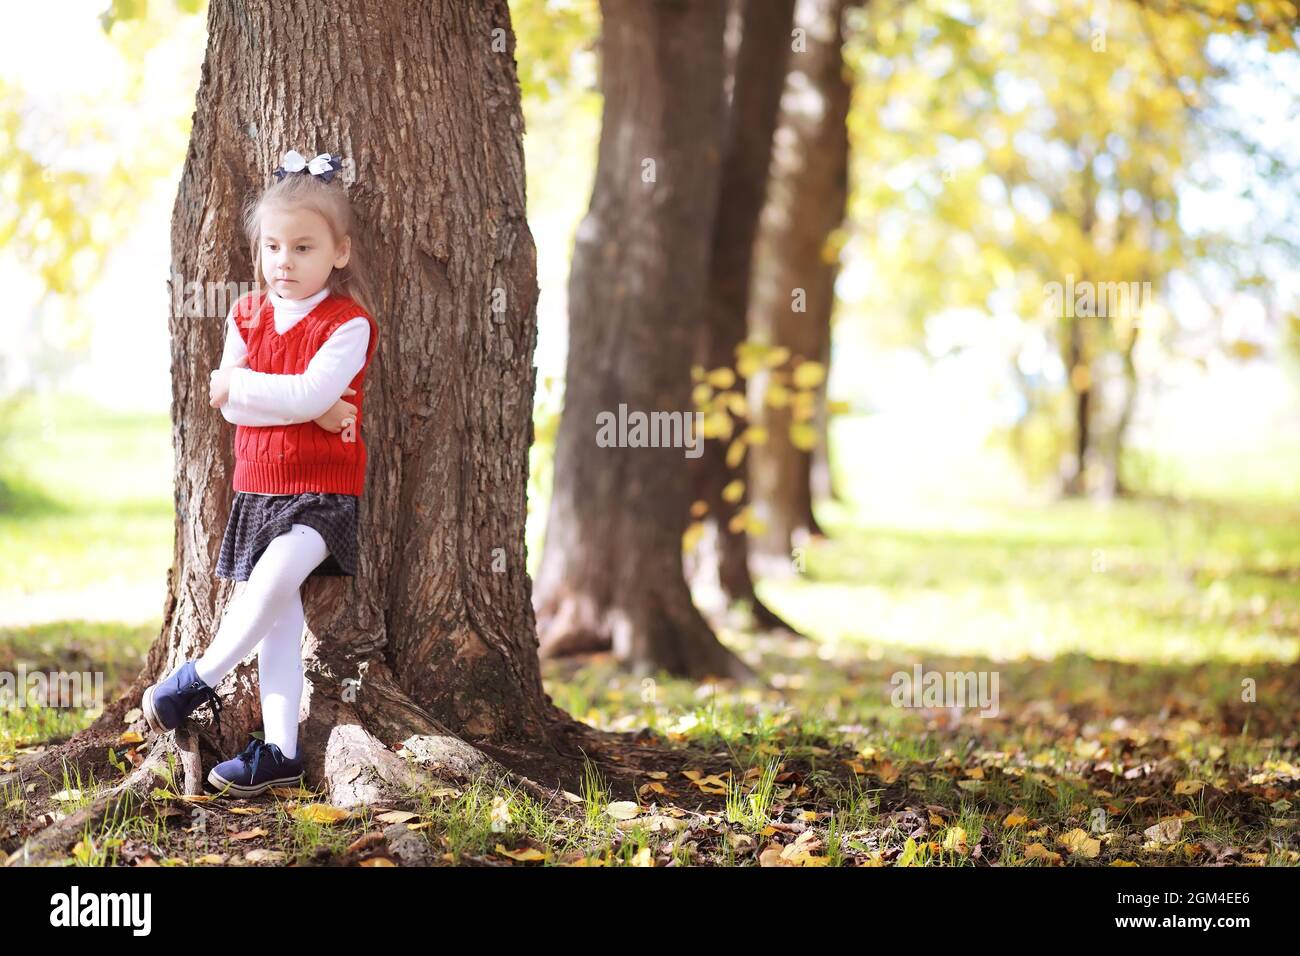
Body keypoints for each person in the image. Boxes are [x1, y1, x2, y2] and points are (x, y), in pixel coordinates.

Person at [141, 149, 379, 797]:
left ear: (339, 252)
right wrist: (302, 404)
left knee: (271, 583)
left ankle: (195, 681)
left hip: (322, 493)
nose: (284, 261)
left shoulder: (348, 324)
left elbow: (291, 392)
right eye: (273, 247)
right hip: (258, 488)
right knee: (278, 619)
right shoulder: (245, 314)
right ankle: (280, 753)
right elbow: (233, 403)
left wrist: (267, 391)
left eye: (303, 248)